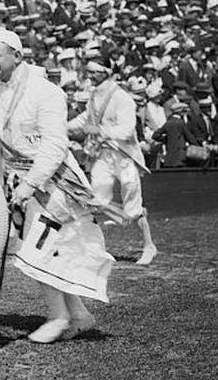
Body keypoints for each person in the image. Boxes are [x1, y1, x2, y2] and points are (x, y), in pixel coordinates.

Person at [0, 28, 113, 344]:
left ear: (17, 56)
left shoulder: (45, 92)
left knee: (41, 251)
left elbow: (54, 146)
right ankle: (78, 315)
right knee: (47, 251)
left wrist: (30, 185)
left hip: (56, 184)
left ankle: (58, 317)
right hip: (18, 184)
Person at [67, 59, 158, 265]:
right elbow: (85, 120)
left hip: (124, 157)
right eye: (89, 71)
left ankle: (148, 246)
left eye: (95, 72)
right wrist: (62, 127)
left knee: (132, 204)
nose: (90, 75)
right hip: (102, 155)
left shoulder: (122, 98)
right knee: (96, 200)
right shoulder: (94, 96)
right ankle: (98, 247)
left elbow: (126, 130)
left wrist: (100, 131)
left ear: (106, 72)